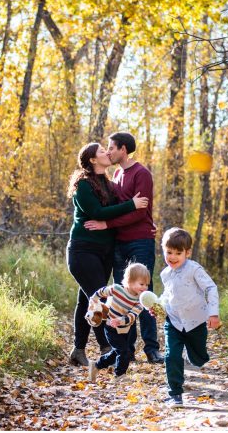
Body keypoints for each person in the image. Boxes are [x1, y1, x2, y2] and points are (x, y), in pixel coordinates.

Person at [66, 143, 149, 367]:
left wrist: (147, 224)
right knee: (100, 298)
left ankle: (78, 351)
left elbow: (114, 215)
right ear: (93, 160)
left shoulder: (108, 184)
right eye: (102, 151)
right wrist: (131, 205)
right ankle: (108, 348)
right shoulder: (83, 184)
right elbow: (98, 213)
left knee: (86, 299)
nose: (107, 153)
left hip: (104, 252)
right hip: (83, 250)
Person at [84, 132, 164, 364]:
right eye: (106, 148)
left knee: (144, 294)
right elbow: (122, 206)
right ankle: (126, 349)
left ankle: (151, 349)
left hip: (140, 240)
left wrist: (106, 224)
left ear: (124, 149)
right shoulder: (117, 173)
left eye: (111, 147)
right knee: (122, 296)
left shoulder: (142, 174)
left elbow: (139, 212)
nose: (108, 151)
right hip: (120, 242)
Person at [156, 227, 221, 407]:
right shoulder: (165, 274)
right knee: (172, 355)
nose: (173, 257)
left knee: (198, 358)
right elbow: (167, 295)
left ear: (187, 253)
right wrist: (157, 306)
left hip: (196, 321)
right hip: (174, 321)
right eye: (169, 252)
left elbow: (211, 288)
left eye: (178, 253)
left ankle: (194, 355)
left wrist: (213, 313)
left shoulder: (194, 269)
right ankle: (175, 394)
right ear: (164, 250)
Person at [87, 262, 150, 382]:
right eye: (141, 284)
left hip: (126, 329)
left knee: (117, 352)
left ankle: (96, 365)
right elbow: (102, 292)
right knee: (123, 351)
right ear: (130, 281)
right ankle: (119, 375)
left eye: (147, 284)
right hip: (111, 328)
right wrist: (93, 299)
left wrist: (121, 320)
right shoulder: (116, 289)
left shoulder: (140, 300)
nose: (145, 287)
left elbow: (133, 315)